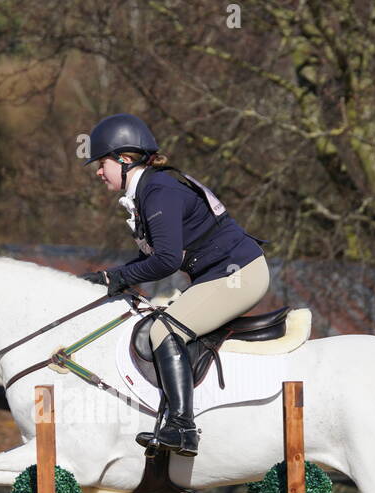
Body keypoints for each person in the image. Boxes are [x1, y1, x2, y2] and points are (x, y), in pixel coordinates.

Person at [79, 113, 271, 457]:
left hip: (238, 274)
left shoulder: (158, 190)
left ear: (125, 160)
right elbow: (156, 258)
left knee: (164, 332)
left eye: (101, 163)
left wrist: (118, 277)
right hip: (218, 275)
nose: (97, 171)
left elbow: (167, 261)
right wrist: (109, 278)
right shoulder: (148, 191)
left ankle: (182, 427)